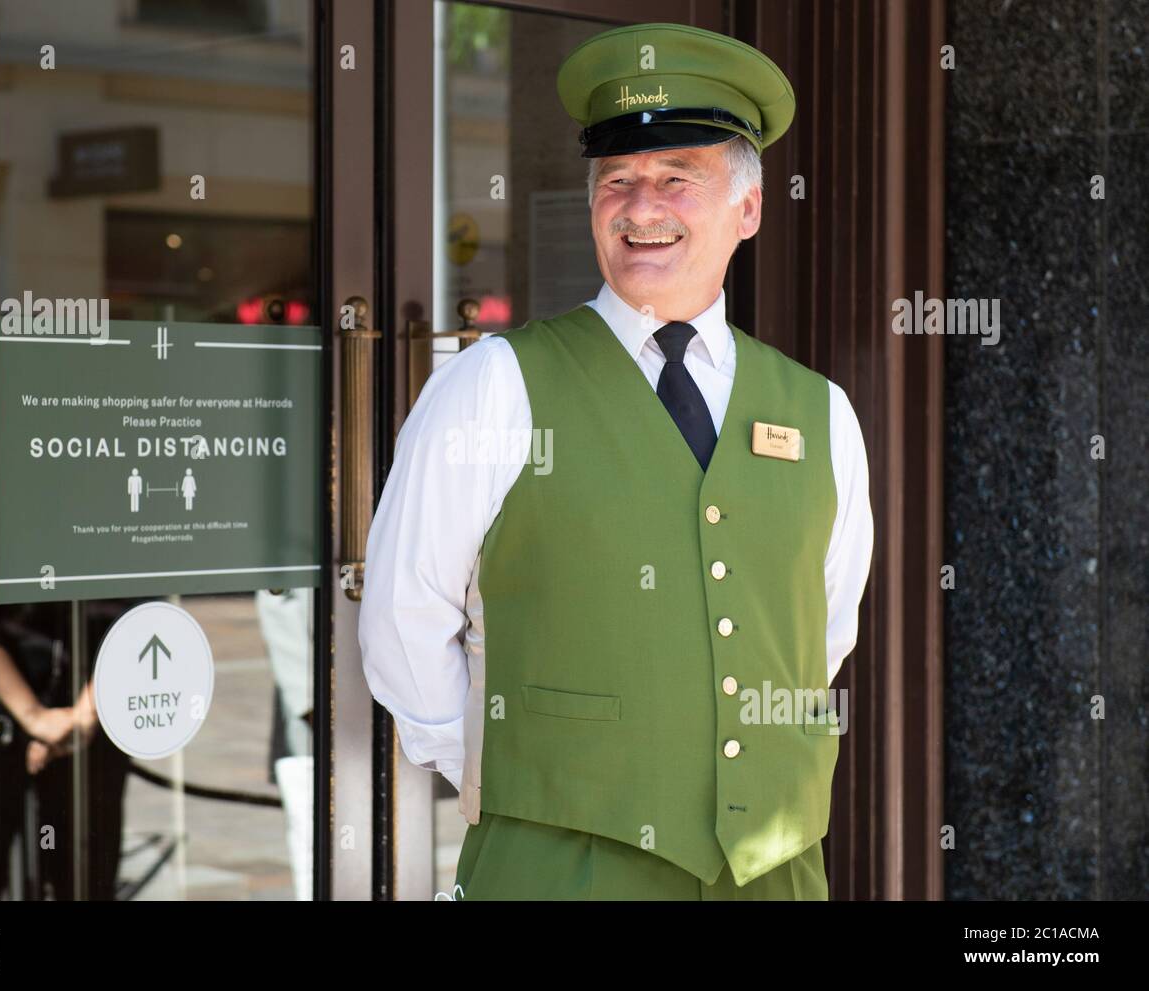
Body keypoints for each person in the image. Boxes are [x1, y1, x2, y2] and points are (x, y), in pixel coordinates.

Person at [359, 22, 873, 900]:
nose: (643, 208)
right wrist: (526, 785)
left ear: (747, 208)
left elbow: (819, 632)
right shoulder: (494, 385)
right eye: (618, 181)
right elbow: (403, 623)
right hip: (559, 867)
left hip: (774, 869)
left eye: (679, 179)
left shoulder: (821, 412)